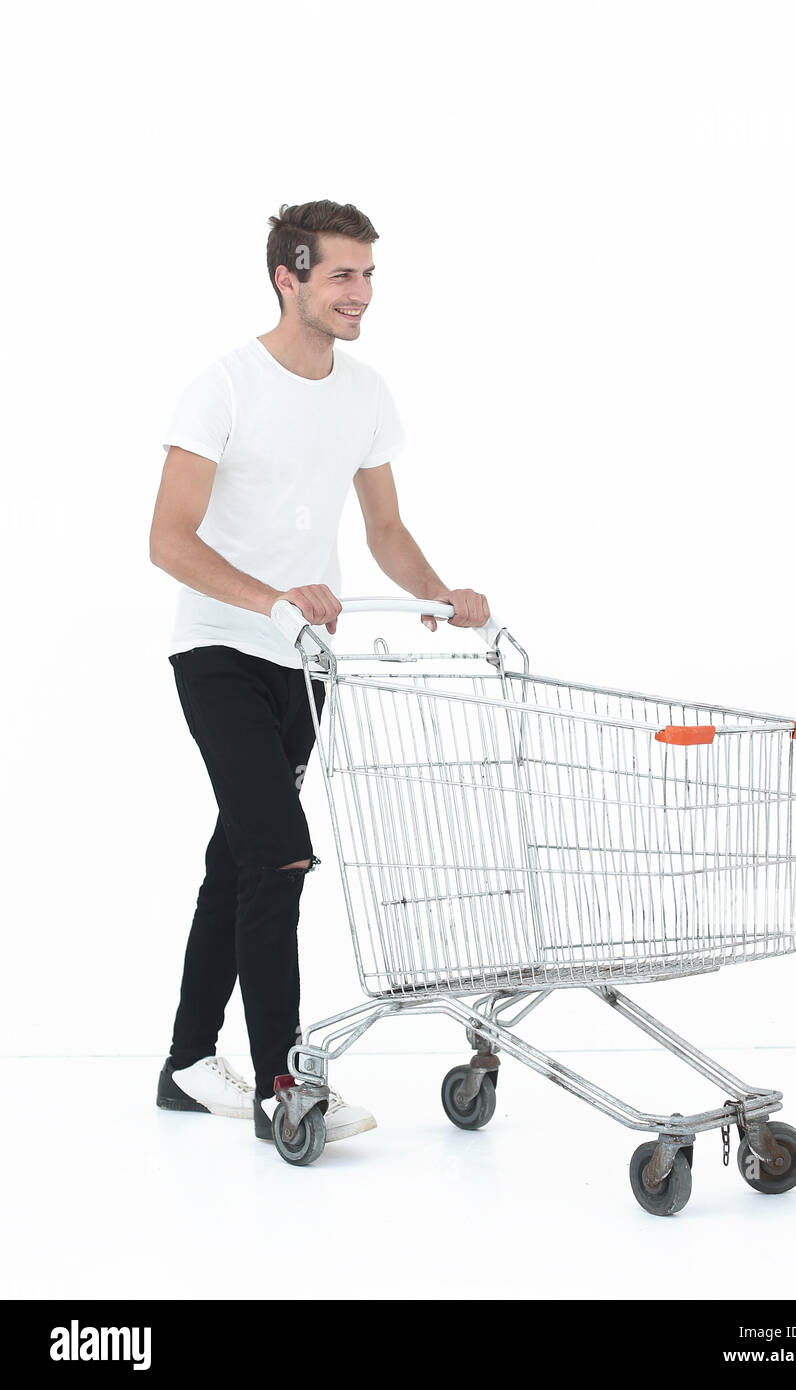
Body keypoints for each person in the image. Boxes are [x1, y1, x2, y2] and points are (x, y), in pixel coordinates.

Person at [149, 200, 490, 1145]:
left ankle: (185, 1062)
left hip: (306, 666)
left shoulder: (367, 391)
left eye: (370, 274)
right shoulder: (220, 386)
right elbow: (167, 541)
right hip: (220, 650)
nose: (363, 293)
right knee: (280, 856)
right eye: (343, 274)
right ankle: (282, 1087)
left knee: (242, 858)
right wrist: (272, 600)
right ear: (286, 277)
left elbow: (383, 530)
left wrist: (441, 592)